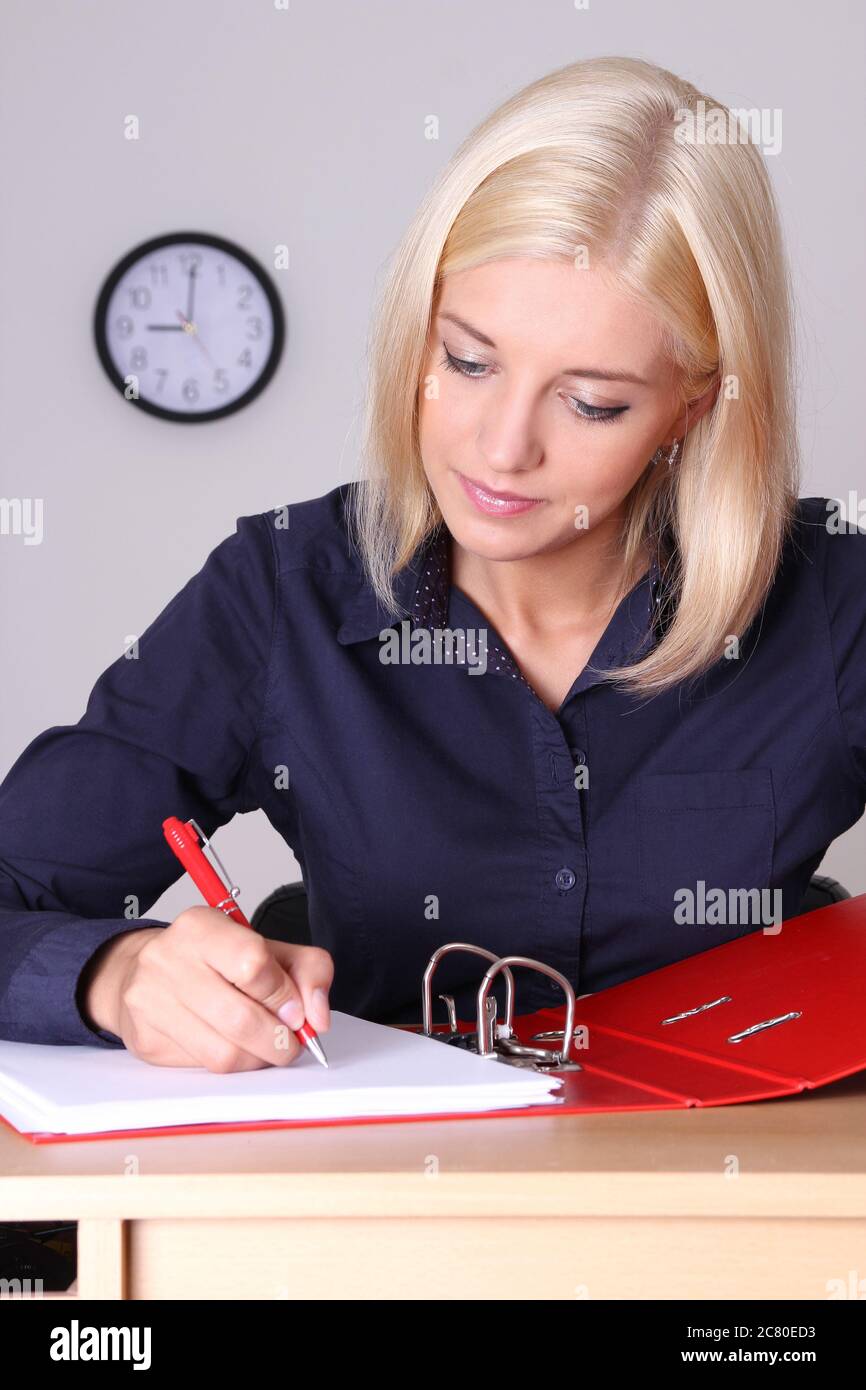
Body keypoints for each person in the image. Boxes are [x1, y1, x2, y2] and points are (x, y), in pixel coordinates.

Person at [1, 56, 863, 1071]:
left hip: (751, 1207)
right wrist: (117, 976)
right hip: (399, 1209)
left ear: (692, 404)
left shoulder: (831, 598)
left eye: (590, 402)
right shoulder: (283, 592)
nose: (500, 450)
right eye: (467, 360)